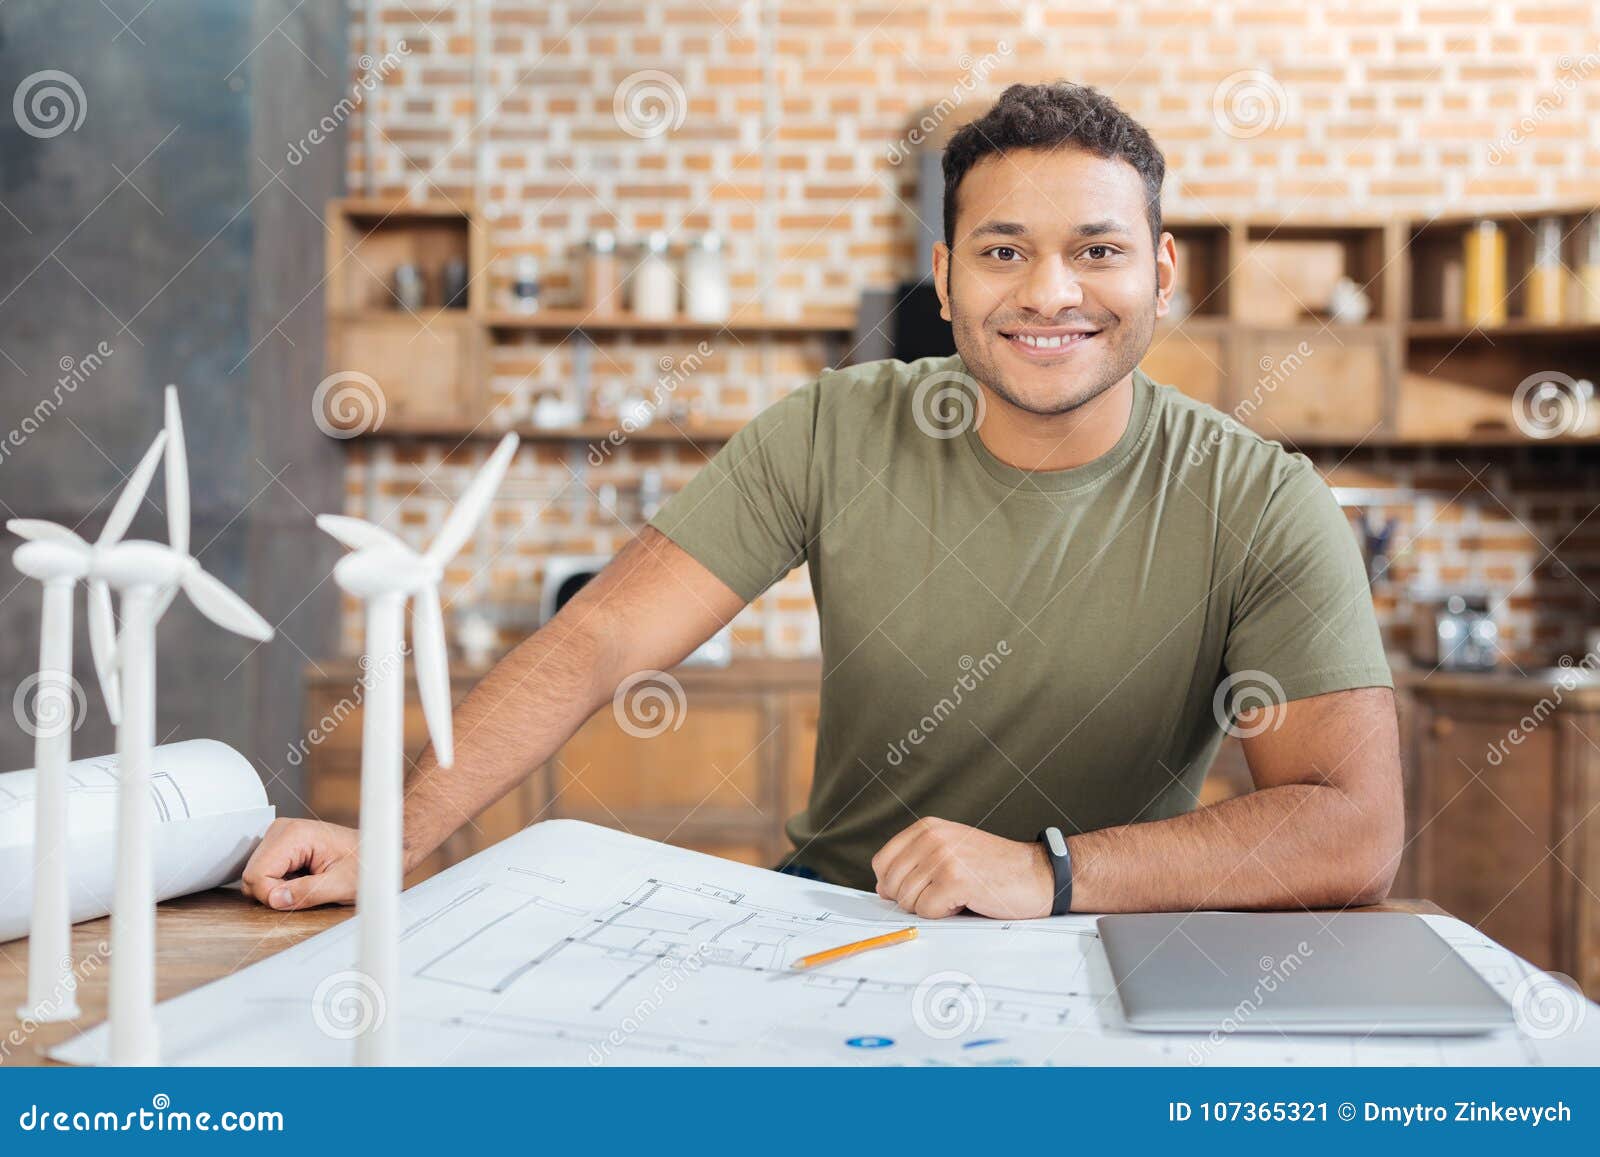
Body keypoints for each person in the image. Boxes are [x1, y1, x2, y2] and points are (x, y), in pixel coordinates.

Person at [243, 81, 1401, 921]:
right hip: (839, 921)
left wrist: (1047, 870)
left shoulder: (1261, 500)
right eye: (1002, 251)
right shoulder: (833, 428)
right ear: (944, 280)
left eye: (1096, 250)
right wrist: (391, 839)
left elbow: (1353, 826)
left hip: (1102, 936)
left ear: (1160, 272)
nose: (1051, 292)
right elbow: (601, 636)